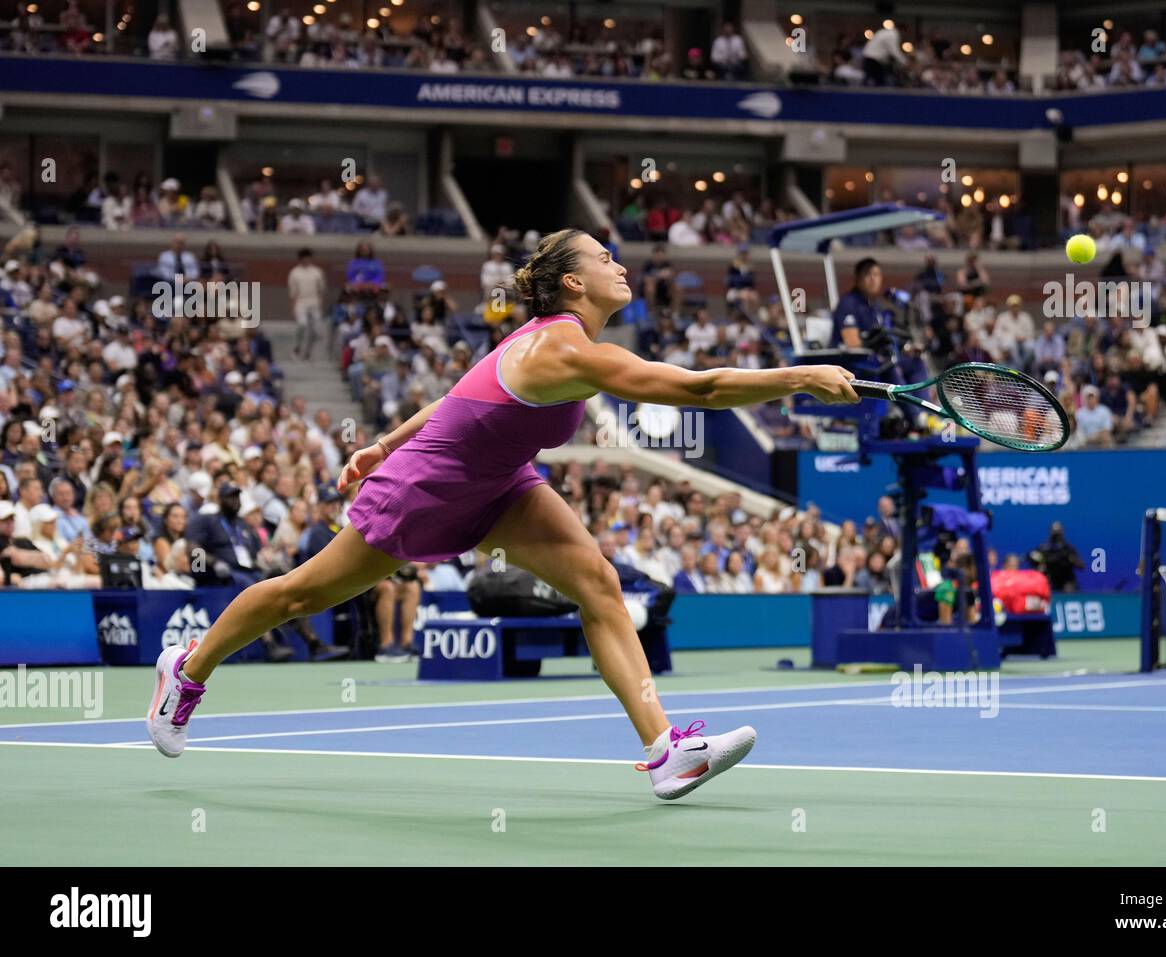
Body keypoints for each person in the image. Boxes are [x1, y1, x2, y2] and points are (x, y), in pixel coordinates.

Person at [147, 228, 861, 799]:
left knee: (598, 584)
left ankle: (666, 751)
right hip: (430, 488)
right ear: (574, 282)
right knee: (302, 592)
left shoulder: (551, 342)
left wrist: (380, 440)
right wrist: (800, 375)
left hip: (502, 486)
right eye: (605, 257)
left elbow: (453, 397)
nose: (620, 265)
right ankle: (188, 665)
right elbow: (698, 389)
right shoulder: (558, 349)